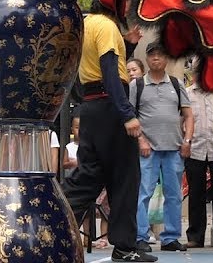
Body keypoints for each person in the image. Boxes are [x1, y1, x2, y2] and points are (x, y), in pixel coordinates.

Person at [62, 13, 156, 262]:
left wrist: (129, 45)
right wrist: (127, 113)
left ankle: (52, 222)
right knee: (125, 176)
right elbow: (110, 69)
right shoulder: (106, 26)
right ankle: (124, 247)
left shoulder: (85, 24)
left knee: (89, 175)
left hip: (91, 108)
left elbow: (91, 67)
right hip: (110, 106)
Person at [131, 42, 193, 252]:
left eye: (160, 54)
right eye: (152, 55)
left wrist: (187, 141)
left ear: (167, 59)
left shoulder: (176, 84)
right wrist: (141, 140)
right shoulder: (137, 85)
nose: (156, 58)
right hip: (147, 149)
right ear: (147, 59)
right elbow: (129, 117)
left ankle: (171, 238)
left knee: (174, 195)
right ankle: (140, 236)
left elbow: (188, 115)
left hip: (174, 149)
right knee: (143, 193)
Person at [183, 62, 213, 249]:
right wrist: (184, 142)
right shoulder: (186, 93)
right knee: (196, 193)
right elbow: (181, 119)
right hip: (195, 148)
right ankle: (195, 236)